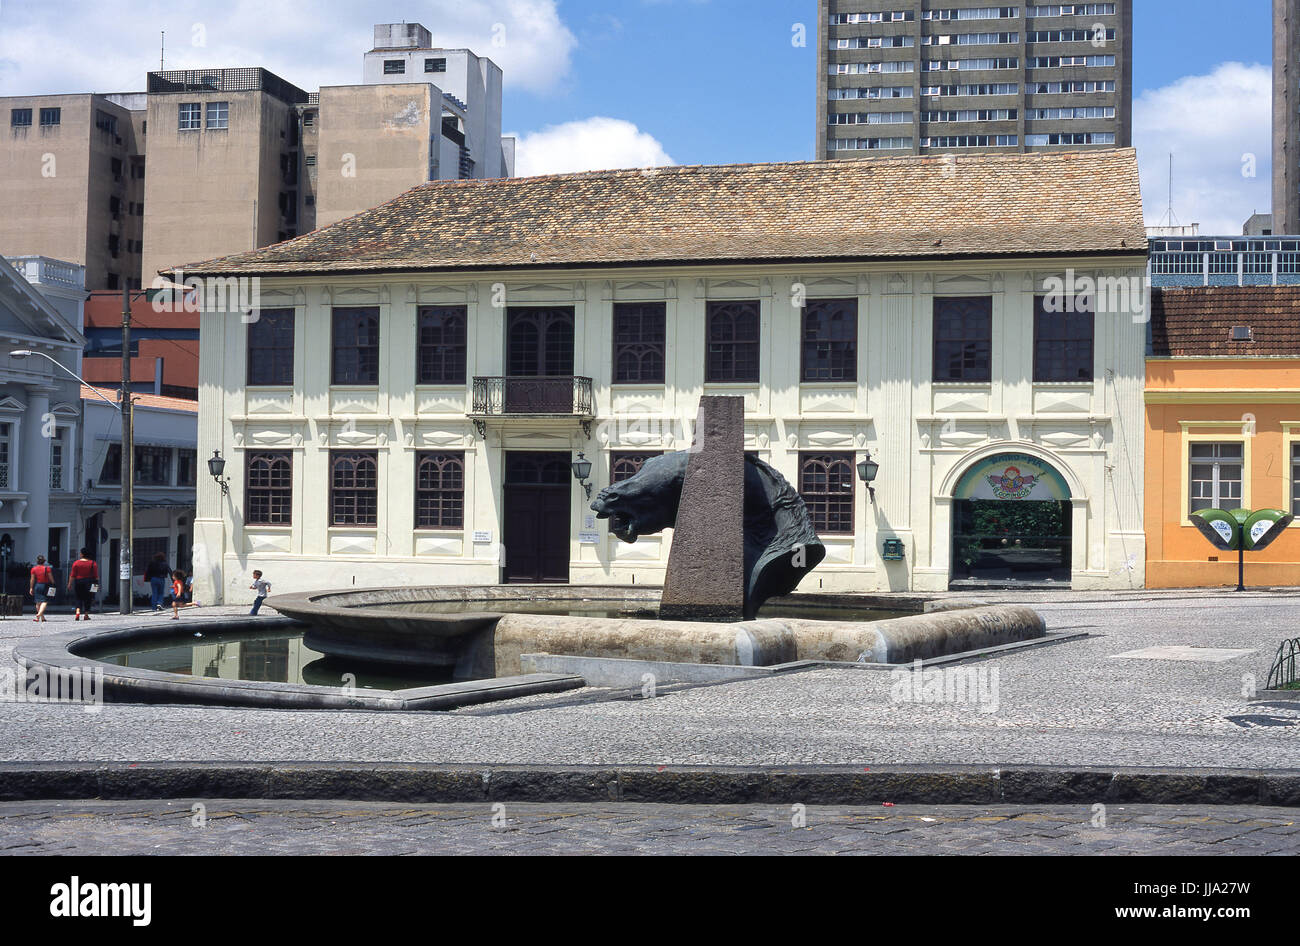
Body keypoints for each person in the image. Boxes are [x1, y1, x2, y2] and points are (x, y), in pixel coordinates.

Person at [67, 549, 99, 621]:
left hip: (79, 582)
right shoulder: (93, 563)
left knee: (78, 597)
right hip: (90, 582)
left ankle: (78, 611)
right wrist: (96, 585)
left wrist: (69, 584)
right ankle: (86, 615)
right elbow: (96, 576)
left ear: (82, 554)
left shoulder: (76, 563)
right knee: (88, 598)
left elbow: (72, 575)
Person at [28, 555, 55, 623]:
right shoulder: (47, 568)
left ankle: (42, 617)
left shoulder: (34, 569)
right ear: (44, 561)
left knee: (38, 602)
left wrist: (31, 588)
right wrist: (53, 583)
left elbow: (32, 579)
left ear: (37, 561)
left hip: (37, 585)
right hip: (45, 585)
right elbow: (51, 578)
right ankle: (39, 614)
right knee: (44, 601)